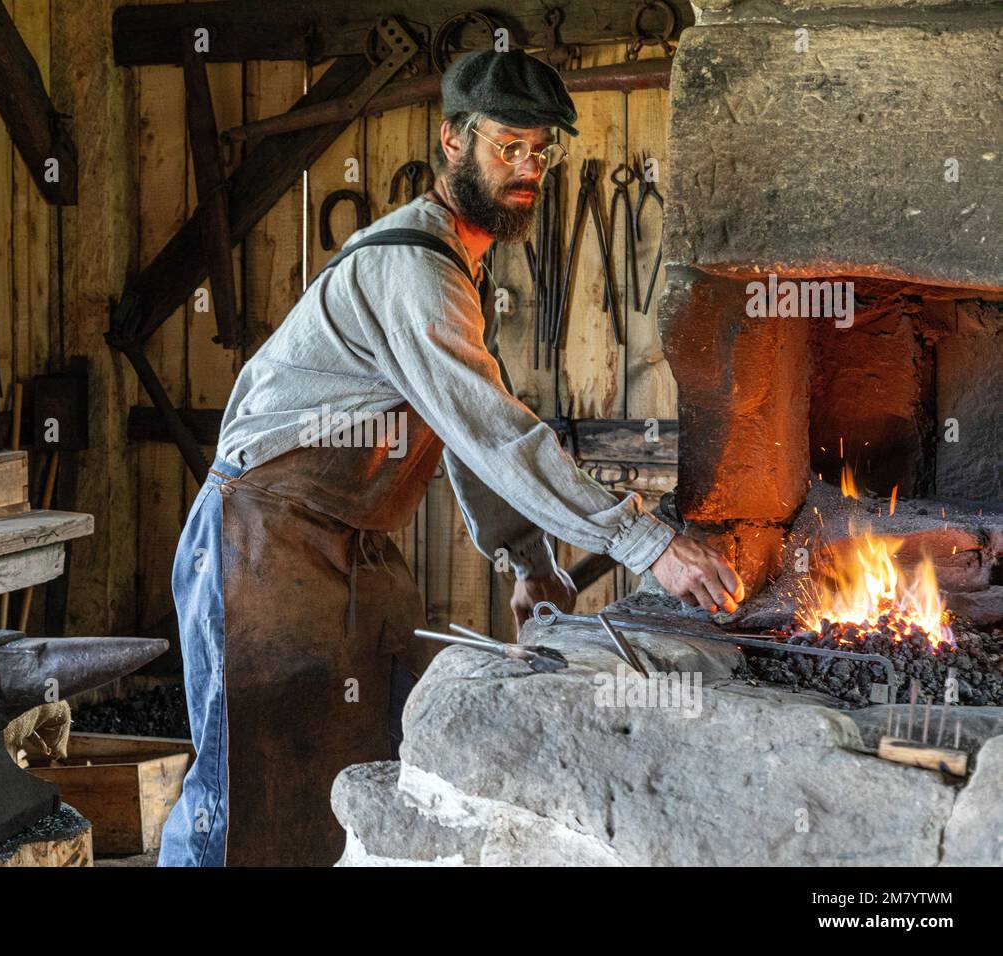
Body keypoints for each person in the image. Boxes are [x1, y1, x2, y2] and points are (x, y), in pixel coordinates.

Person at [158, 49, 743, 867]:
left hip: (347, 550)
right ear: (452, 141)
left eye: (541, 151)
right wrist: (648, 543)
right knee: (243, 791)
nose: (528, 169)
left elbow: (464, 430)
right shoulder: (412, 265)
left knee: (365, 774)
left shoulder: (451, 266)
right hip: (261, 544)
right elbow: (495, 429)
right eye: (509, 147)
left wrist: (527, 562)